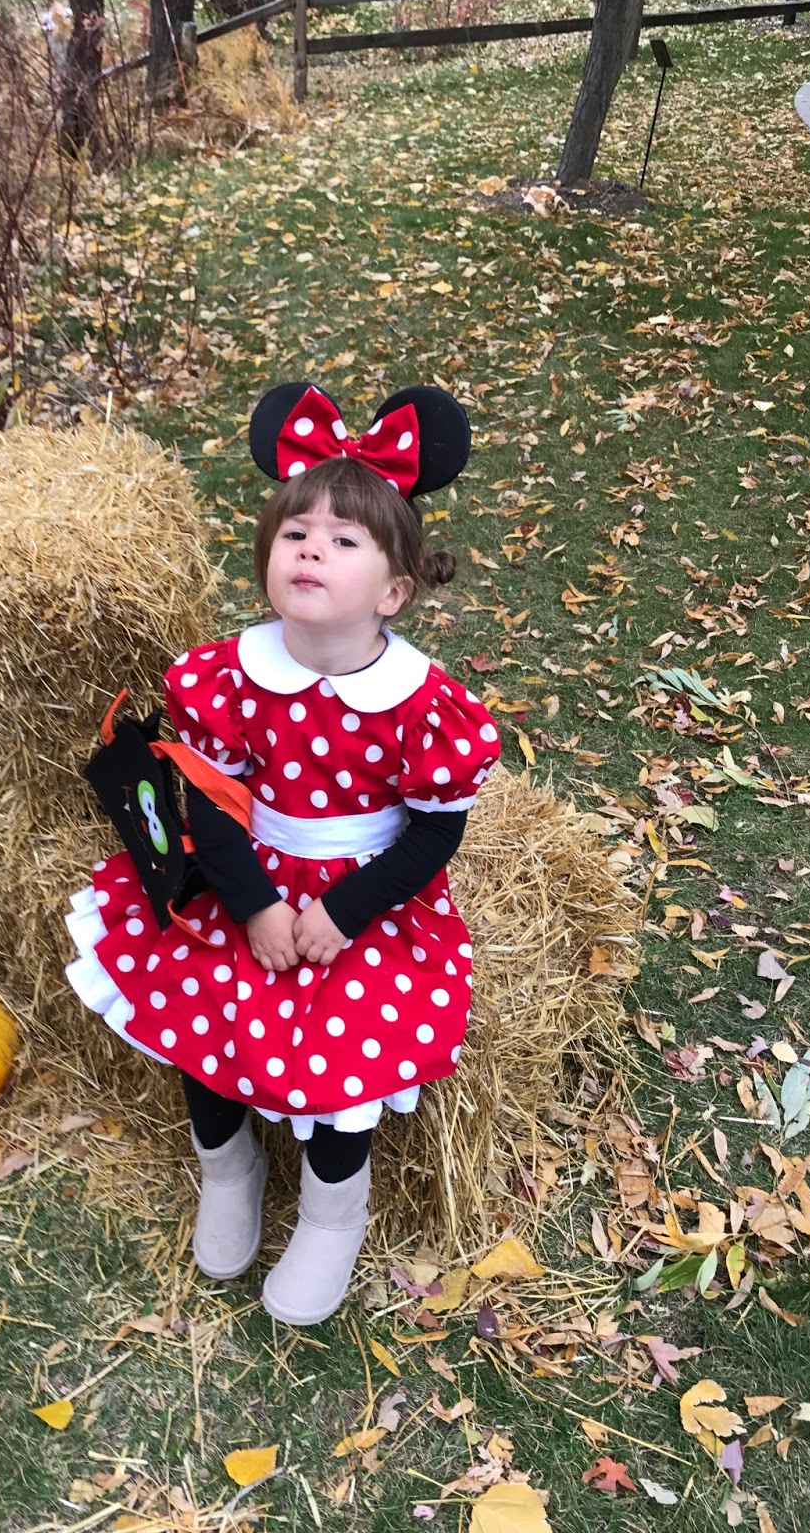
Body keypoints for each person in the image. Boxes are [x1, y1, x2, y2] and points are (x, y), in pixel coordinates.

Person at [65, 382, 501, 1326]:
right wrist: (257, 903)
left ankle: (333, 1215)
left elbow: (433, 833)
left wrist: (341, 914)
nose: (312, 548)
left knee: (350, 1055)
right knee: (201, 1009)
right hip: (248, 875)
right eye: (295, 533)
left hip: (367, 899)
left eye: (345, 541)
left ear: (394, 589)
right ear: (267, 559)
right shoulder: (228, 675)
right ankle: (229, 1170)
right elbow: (212, 807)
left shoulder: (424, 706)